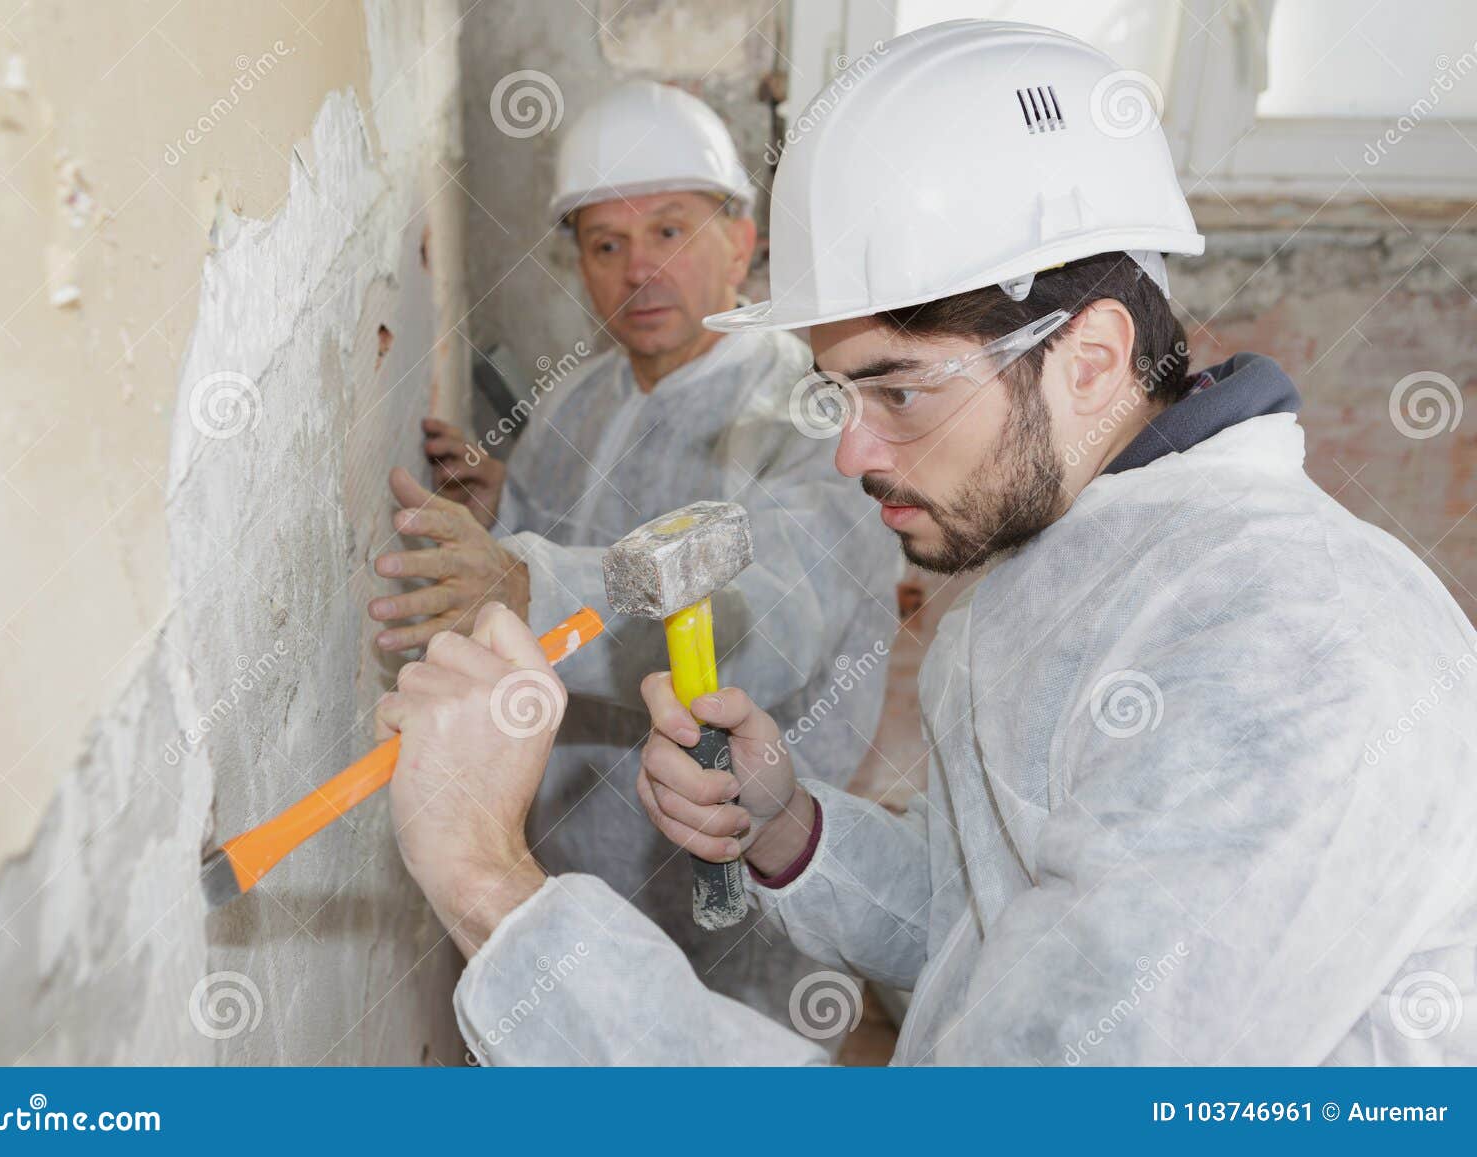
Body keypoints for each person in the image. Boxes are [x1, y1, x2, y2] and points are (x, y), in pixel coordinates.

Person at [376, 21, 1477, 1064]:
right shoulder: (1060, 570)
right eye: (839, 393)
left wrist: (488, 887)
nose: (851, 452)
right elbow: (987, 919)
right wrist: (792, 827)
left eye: (897, 391)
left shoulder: (1293, 655)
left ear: (1092, 361)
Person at [369, 80, 900, 1043]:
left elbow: (769, 631)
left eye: (669, 230)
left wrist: (526, 581)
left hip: (739, 893)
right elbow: (564, 552)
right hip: (571, 861)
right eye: (605, 244)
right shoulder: (575, 403)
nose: (639, 269)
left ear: (741, 241)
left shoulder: (812, 415)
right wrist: (504, 517)